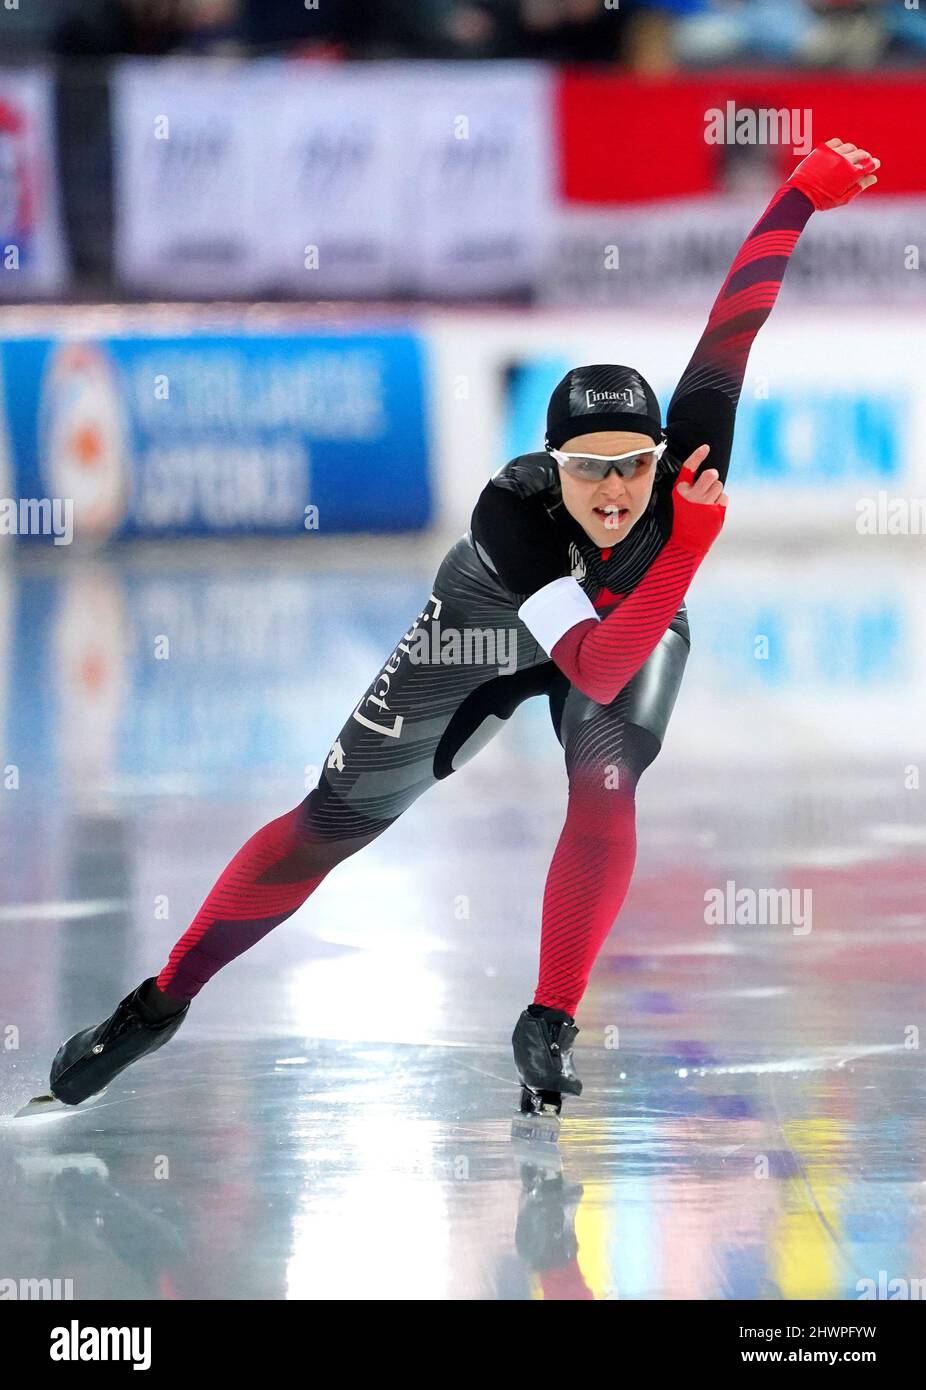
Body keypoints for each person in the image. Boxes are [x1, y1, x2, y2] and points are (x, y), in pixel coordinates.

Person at [43, 139, 879, 1125]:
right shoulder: (510, 515)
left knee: (604, 780)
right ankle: (155, 1004)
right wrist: (687, 543)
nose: (613, 491)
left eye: (633, 467)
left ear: (664, 453)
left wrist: (793, 196)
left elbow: (733, 321)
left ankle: (548, 1020)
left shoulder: (687, 459)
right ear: (549, 462)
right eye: (587, 469)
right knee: (331, 825)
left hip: (632, 615)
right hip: (488, 624)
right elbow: (594, 665)